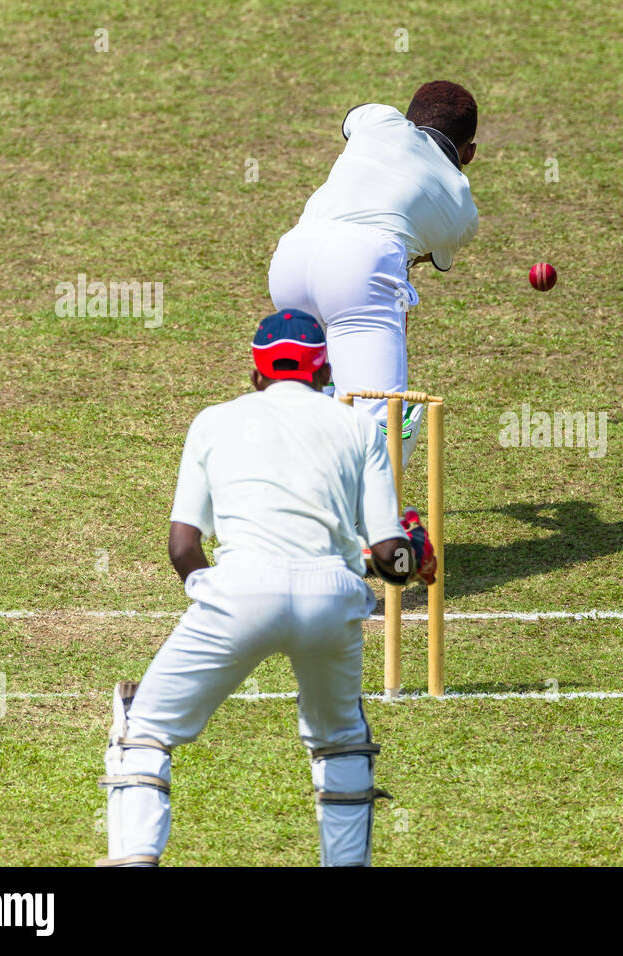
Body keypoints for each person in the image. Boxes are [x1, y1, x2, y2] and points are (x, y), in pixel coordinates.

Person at [96, 309, 436, 867]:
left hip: (236, 593)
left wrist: (218, 593)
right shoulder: (358, 427)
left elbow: (182, 547)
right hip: (332, 598)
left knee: (144, 727)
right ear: (325, 373)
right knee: (340, 738)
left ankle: (135, 861)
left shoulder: (212, 421)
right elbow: (388, 559)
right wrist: (415, 554)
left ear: (256, 374)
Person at [268, 80, 480, 463]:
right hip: (363, 268)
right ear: (470, 153)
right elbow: (428, 260)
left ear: (411, 116)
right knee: (384, 422)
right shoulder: (462, 205)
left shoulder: (379, 118)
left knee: (302, 406)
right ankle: (368, 521)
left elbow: (351, 121)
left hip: (292, 256)